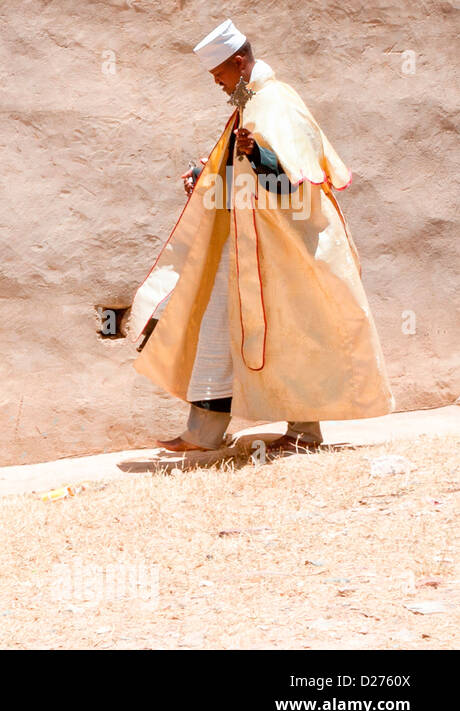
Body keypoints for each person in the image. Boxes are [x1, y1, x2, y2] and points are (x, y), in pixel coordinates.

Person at [130, 21, 393, 454]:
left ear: (238, 62)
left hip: (288, 249)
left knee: (296, 330)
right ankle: (204, 434)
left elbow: (294, 180)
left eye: (220, 77)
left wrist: (259, 154)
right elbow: (242, 172)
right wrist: (205, 174)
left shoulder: (277, 103)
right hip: (245, 245)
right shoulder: (250, 103)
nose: (217, 86)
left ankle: (303, 433)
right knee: (216, 327)